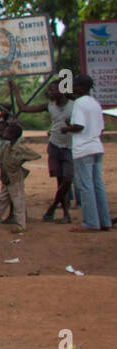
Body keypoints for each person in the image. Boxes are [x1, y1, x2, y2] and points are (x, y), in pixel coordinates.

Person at [11, 79, 81, 223]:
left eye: (52, 90)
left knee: (67, 179)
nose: (50, 93)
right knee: (60, 180)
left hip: (69, 146)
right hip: (55, 145)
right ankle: (65, 214)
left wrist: (69, 127)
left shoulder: (75, 106)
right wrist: (16, 90)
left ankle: (53, 207)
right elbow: (23, 108)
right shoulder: (49, 106)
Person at [0, 118, 37, 233]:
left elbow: (32, 155)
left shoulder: (19, 148)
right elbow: (1, 161)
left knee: (17, 201)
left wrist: (19, 162)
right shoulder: (6, 147)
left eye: (7, 132)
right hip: (7, 177)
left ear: (13, 136)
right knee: (2, 199)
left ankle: (21, 224)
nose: (4, 133)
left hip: (15, 177)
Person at [68, 73, 111, 232]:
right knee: (97, 185)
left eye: (75, 85)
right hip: (96, 146)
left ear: (81, 88)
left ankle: (91, 222)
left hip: (83, 148)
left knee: (85, 186)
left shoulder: (79, 103)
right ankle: (104, 221)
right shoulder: (95, 103)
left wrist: (66, 128)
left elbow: (79, 126)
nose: (72, 87)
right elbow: (100, 127)